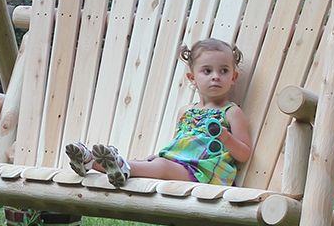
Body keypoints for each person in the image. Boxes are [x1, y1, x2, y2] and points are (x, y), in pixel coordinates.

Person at [65, 38, 252, 188]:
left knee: (160, 167)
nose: (216, 76)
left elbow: (244, 154)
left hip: (205, 174)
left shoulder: (231, 112)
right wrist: (160, 154)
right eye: (207, 71)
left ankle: (121, 166)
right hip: (179, 165)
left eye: (224, 71)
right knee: (151, 162)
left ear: (233, 77)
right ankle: (90, 161)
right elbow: (180, 143)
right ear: (192, 78)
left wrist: (225, 137)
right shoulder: (186, 111)